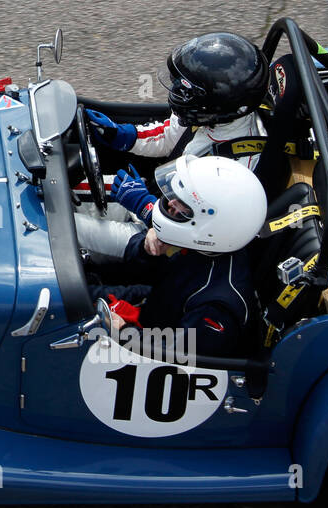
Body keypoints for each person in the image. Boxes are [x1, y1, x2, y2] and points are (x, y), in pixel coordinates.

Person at [90, 153, 267, 357]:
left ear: (210, 227)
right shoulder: (206, 245)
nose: (171, 203)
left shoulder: (216, 308)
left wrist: (123, 331)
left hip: (152, 352)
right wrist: (147, 250)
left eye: (184, 206)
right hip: (151, 311)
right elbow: (159, 288)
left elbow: (175, 358)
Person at [85, 32, 270, 172]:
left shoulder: (226, 169)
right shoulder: (211, 118)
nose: (175, 91)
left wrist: (142, 204)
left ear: (213, 105)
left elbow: (188, 219)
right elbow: (170, 136)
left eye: (186, 91)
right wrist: (121, 134)